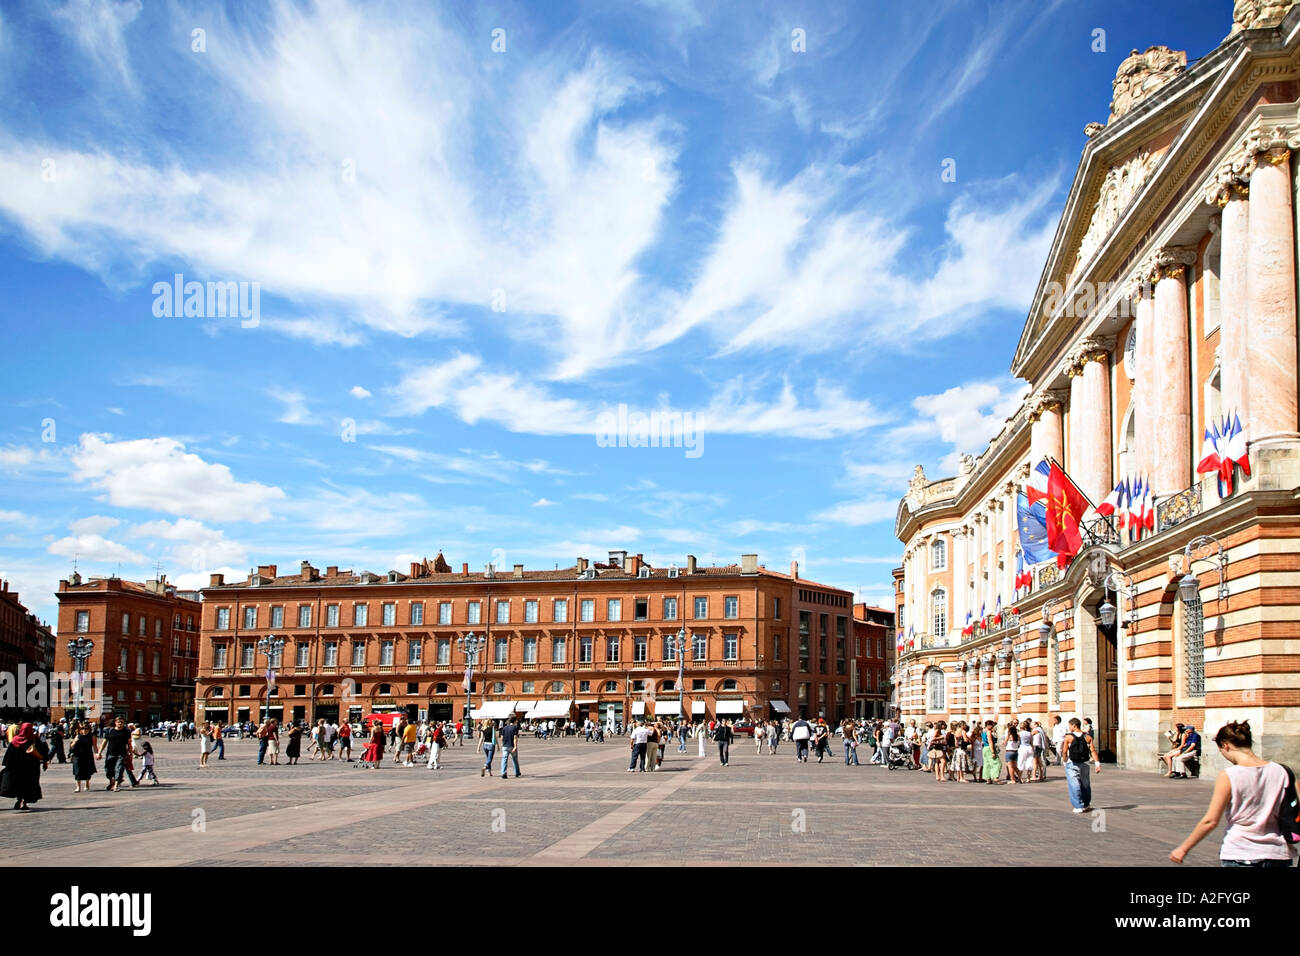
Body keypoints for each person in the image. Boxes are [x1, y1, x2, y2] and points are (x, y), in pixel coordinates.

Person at [1170, 720, 1298, 867]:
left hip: (1241, 853)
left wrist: (1183, 848)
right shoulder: (1283, 771)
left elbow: (1210, 821)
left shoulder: (1229, 775)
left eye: (1221, 750)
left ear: (1226, 745)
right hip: (1278, 854)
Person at [1, 722, 50, 810]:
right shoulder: (35, 739)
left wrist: (7, 766)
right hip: (31, 768)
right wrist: (45, 761)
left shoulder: (15, 740)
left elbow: (9, 755)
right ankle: (24, 802)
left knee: (20, 784)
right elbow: (43, 751)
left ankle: (19, 800)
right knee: (29, 785)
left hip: (17, 768)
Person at [1062, 717, 1101, 813]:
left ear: (1074, 726)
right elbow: (1092, 750)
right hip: (1085, 763)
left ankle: (1078, 805)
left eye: (1070, 725)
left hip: (1072, 763)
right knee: (1085, 784)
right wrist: (1097, 763)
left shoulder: (1068, 737)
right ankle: (1086, 804)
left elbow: (1064, 751)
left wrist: (1065, 761)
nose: (1069, 727)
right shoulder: (1087, 737)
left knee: (1074, 784)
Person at [97, 717, 132, 791]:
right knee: (108, 770)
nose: (120, 723)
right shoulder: (109, 731)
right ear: (115, 722)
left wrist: (130, 753)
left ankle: (116, 785)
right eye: (119, 722)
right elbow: (104, 742)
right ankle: (112, 782)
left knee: (119, 769)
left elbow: (129, 743)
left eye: (122, 722)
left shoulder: (126, 732)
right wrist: (99, 753)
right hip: (110, 753)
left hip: (121, 753)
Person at [70, 723, 96, 793]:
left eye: (86, 729)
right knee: (77, 771)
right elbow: (71, 746)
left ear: (89, 730)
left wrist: (97, 753)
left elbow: (94, 746)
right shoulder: (78, 736)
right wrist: (75, 741)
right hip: (77, 756)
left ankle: (87, 784)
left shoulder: (92, 736)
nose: (84, 730)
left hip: (88, 755)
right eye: (83, 728)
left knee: (87, 771)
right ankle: (78, 787)